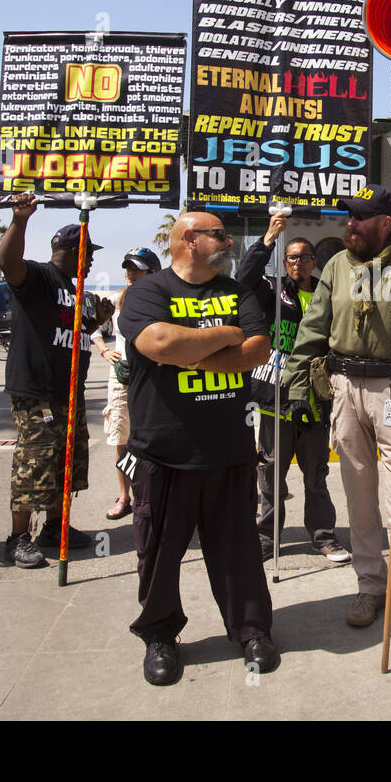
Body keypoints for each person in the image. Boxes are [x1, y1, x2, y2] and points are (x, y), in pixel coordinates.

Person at [284, 150, 391, 656]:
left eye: (360, 218)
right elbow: (314, 327)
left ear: (385, 221)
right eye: (348, 217)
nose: (351, 224)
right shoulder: (335, 264)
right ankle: (369, 586)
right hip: (343, 388)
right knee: (358, 496)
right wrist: (298, 384)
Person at [119, 209, 278, 685]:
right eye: (219, 235)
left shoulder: (237, 292)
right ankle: (161, 636)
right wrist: (226, 337)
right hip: (162, 451)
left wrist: (199, 352)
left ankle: (251, 630)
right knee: (159, 554)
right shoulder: (149, 291)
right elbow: (162, 343)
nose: (228, 243)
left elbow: (257, 350)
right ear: (189, 240)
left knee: (238, 551)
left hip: (228, 448)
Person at [0, 194, 114, 569]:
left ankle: (54, 528)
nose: (92, 257)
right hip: (39, 393)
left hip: (70, 393)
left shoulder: (76, 289)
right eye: (86, 249)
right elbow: (7, 263)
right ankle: (18, 538)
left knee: (66, 464)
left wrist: (97, 321)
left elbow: (73, 333)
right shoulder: (38, 277)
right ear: (64, 247)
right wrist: (19, 221)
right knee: (34, 464)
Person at [235, 212, 350, 564]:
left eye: (305, 257)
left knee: (315, 474)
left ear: (315, 262)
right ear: (284, 262)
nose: (298, 262)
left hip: (314, 398)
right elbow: (242, 279)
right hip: (275, 397)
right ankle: (267, 538)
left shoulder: (325, 294)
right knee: (270, 473)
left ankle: (323, 536)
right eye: (292, 257)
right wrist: (268, 240)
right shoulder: (271, 293)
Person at [91, 247, 161, 521]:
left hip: (154, 380)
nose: (130, 273)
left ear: (151, 272)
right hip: (121, 380)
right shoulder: (115, 299)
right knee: (120, 439)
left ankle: (153, 495)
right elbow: (93, 325)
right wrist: (103, 350)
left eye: (137, 268)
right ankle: (124, 497)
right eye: (127, 268)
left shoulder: (161, 300)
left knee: (154, 440)